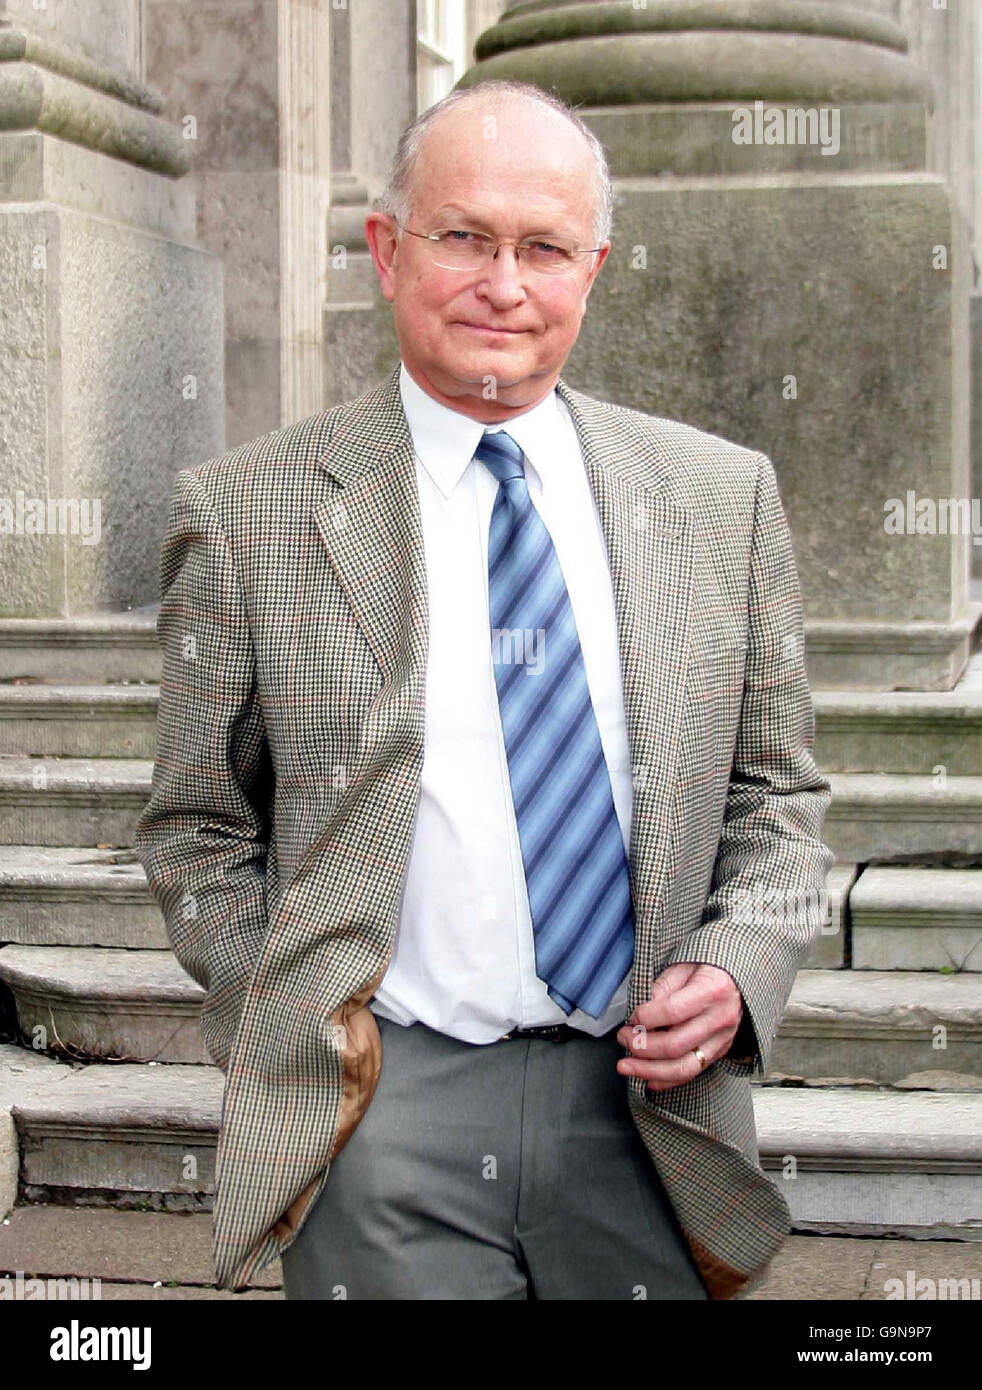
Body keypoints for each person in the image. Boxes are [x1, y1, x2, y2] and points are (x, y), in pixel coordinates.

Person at [134, 78, 834, 1301]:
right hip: (382, 1119)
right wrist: (293, 1015)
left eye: (544, 247)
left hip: (647, 1119)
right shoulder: (245, 513)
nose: (503, 283)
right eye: (463, 236)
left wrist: (735, 967)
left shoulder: (722, 500)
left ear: (592, 267)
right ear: (388, 250)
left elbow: (777, 797)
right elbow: (196, 829)